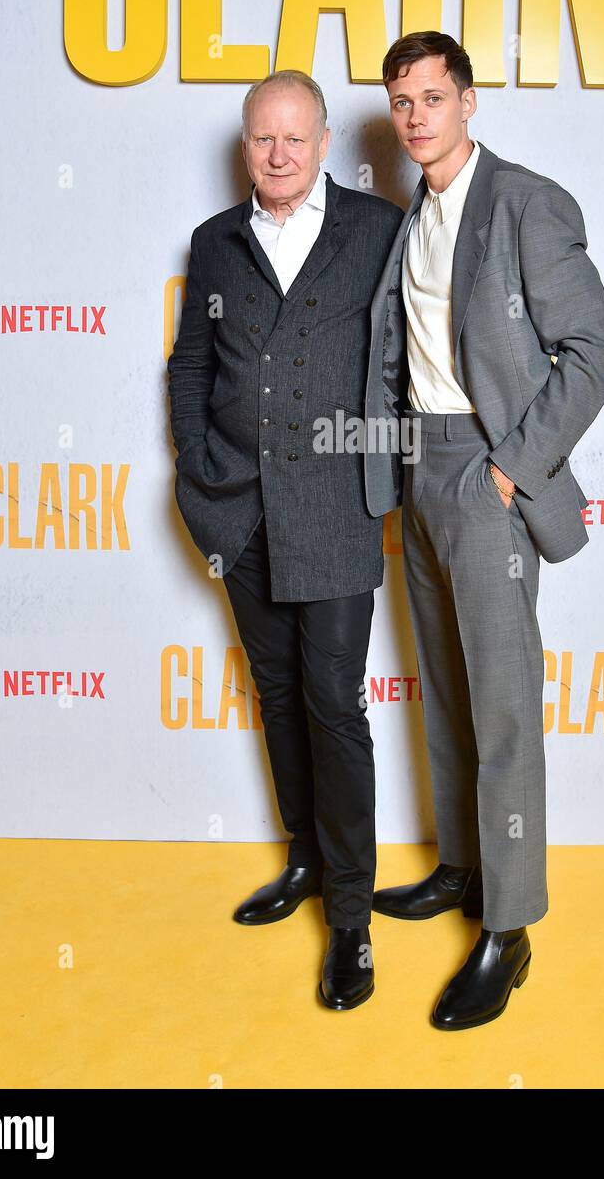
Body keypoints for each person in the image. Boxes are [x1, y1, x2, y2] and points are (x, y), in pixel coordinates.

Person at [363, 32, 604, 1029]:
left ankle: (508, 930)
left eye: (433, 97)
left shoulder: (524, 202)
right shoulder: (414, 216)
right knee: (445, 688)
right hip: (421, 468)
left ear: (468, 102)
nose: (415, 117)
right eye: (402, 102)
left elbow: (591, 353)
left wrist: (509, 467)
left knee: (503, 703)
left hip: (486, 466)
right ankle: (462, 869)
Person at [168, 70, 402, 1011]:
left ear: (324, 142)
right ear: (245, 146)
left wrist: (388, 465)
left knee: (332, 705)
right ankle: (305, 860)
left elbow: (411, 359)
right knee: (275, 695)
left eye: (295, 138)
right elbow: (191, 363)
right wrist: (196, 462)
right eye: (263, 139)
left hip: (337, 511)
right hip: (237, 509)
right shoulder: (214, 243)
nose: (278, 154)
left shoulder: (378, 230)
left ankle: (351, 919)